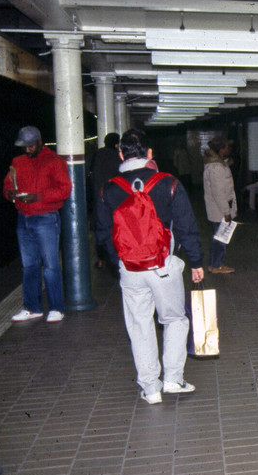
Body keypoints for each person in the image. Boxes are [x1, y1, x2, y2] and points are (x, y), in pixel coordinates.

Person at [96, 129, 204, 405]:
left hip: (130, 269)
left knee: (139, 326)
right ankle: (173, 379)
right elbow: (185, 226)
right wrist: (196, 261)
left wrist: (118, 262)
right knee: (175, 320)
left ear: (121, 154)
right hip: (163, 265)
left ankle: (150, 388)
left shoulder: (109, 188)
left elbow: (103, 232)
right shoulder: (167, 183)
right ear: (150, 154)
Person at [3, 126, 72, 323]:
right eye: (24, 147)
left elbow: (64, 190)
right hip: (23, 218)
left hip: (46, 218)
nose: (27, 150)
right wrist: (10, 194)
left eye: (31, 146)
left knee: (50, 266)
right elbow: (8, 184)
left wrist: (38, 197)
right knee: (29, 266)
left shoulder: (54, 161)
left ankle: (56, 308)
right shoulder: (17, 162)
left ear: (40, 142)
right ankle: (32, 308)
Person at [203, 136, 238, 273]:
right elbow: (218, 192)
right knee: (221, 238)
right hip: (220, 210)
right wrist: (226, 212)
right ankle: (217, 265)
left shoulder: (216, 164)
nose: (229, 149)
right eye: (227, 147)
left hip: (218, 208)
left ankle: (213, 264)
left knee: (217, 237)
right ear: (221, 149)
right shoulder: (216, 168)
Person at [90, 132, 123, 269]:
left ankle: (100, 259)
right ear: (116, 144)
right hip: (114, 199)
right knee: (116, 228)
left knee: (101, 229)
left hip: (99, 197)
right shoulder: (118, 157)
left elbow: (91, 173)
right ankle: (115, 257)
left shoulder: (97, 154)